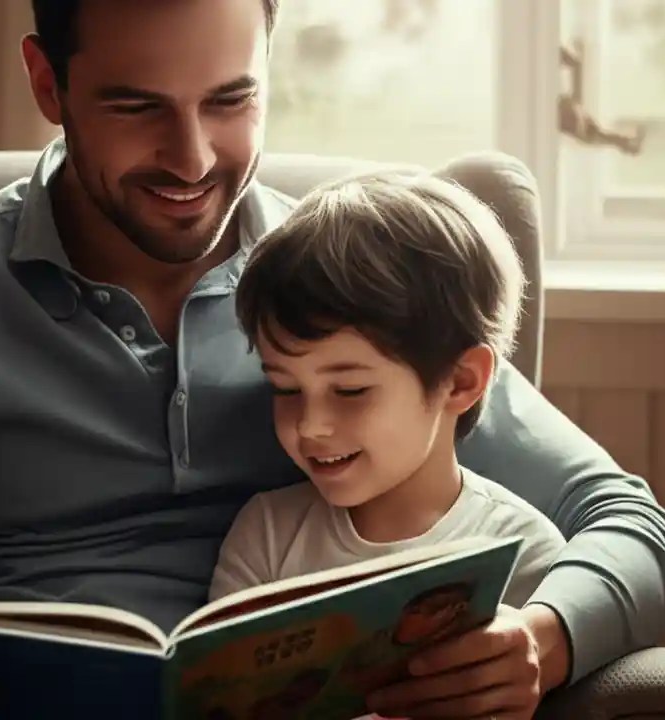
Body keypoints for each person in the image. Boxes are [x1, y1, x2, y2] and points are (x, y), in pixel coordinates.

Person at [0, 0, 665, 718]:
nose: (193, 160)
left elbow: (632, 526)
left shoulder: (353, 287)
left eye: (232, 100)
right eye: (137, 107)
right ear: (46, 83)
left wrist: (546, 636)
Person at [208, 173, 567, 718]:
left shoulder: (524, 552)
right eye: (285, 388)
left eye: (350, 390)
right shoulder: (267, 536)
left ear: (461, 381)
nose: (311, 427)